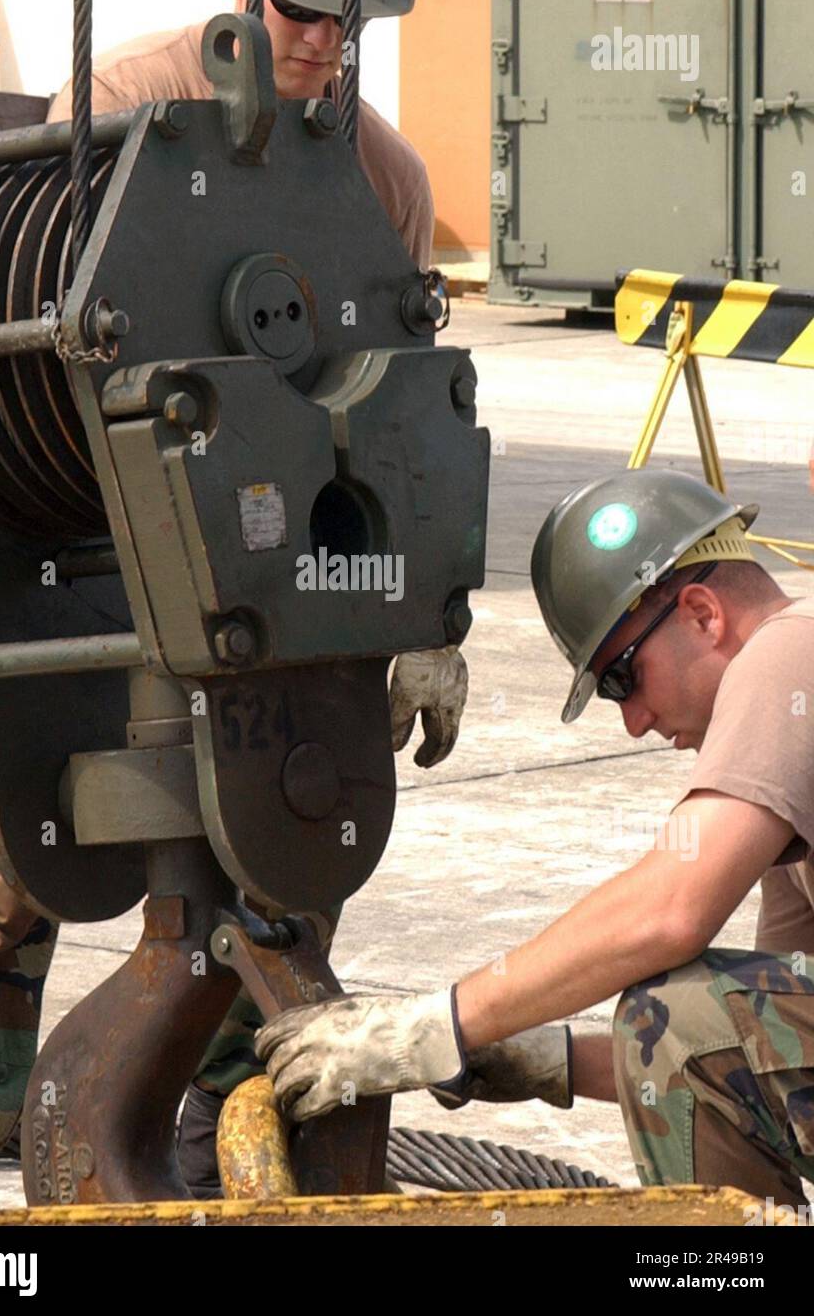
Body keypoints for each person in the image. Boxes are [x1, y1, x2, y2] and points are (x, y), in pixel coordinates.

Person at [0, 0, 469, 1208]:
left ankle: (228, 1123)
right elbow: (43, 342)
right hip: (84, 538)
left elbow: (398, 408)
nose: (319, 45)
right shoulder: (123, 105)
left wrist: (422, 614)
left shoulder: (385, 176)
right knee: (1, 850)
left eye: (347, 24)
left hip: (271, 570)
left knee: (286, 845)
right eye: (299, 11)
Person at [258, 468, 814, 1209]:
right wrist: (552, 1062)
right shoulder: (791, 803)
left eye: (622, 679)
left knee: (670, 1011)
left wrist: (433, 1025)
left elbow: (671, 911)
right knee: (681, 1021)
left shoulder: (792, 649)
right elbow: (766, 1046)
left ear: (703, 614)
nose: (634, 722)